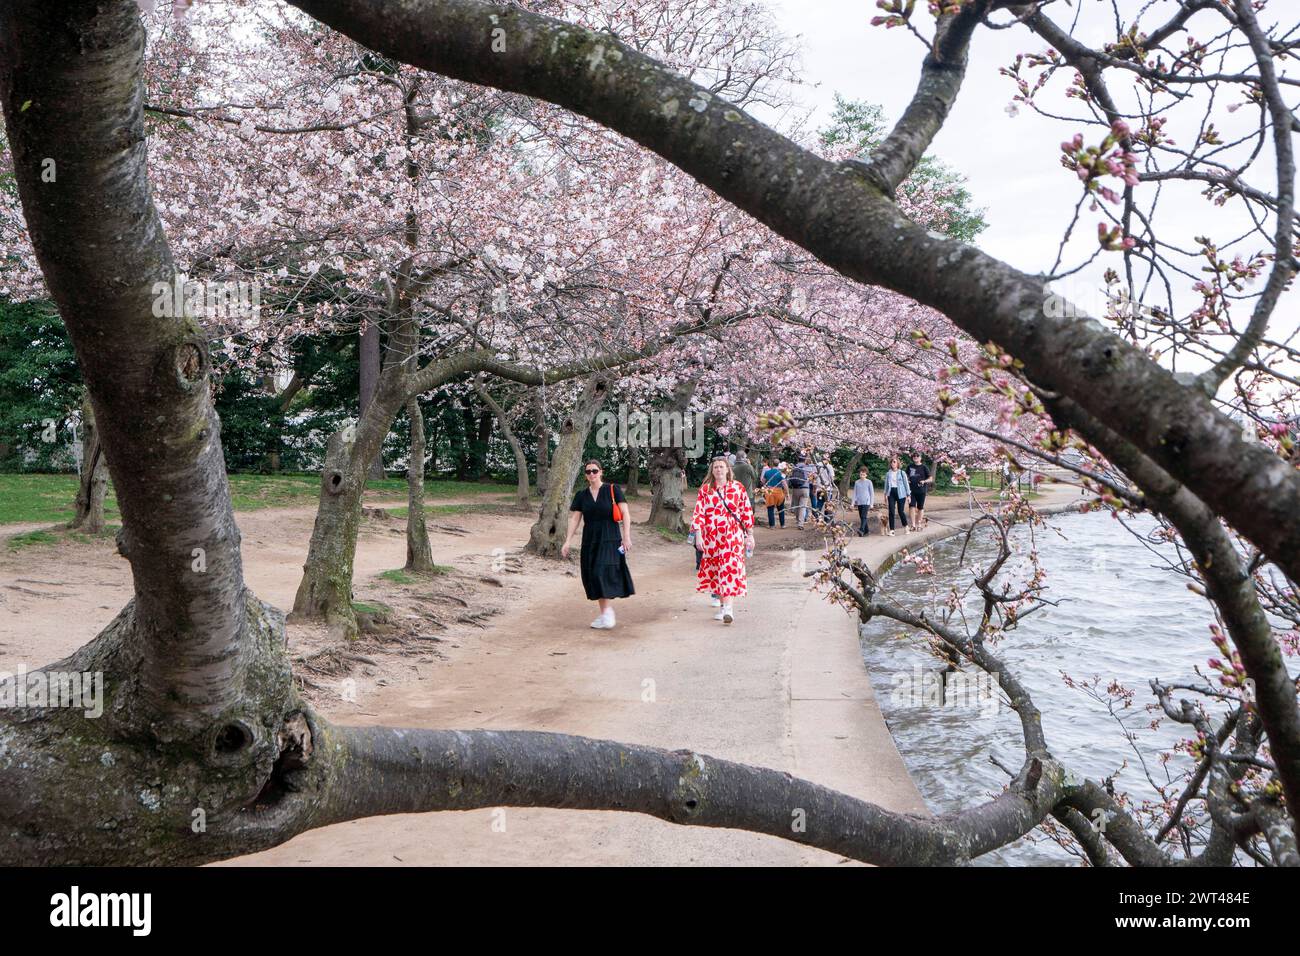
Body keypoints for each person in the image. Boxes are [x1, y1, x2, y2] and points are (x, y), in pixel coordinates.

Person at [562, 460, 634, 628]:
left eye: (595, 471)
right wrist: (567, 541)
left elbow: (625, 513)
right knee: (593, 574)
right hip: (590, 539)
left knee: (602, 570)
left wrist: (627, 537)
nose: (592, 474)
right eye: (588, 472)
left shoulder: (612, 490)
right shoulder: (581, 495)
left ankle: (607, 612)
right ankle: (604, 614)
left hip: (610, 537)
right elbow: (575, 519)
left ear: (601, 472)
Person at [691, 456, 755, 624]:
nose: (718, 470)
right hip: (712, 537)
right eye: (716, 467)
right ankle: (722, 606)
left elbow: (746, 512)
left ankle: (728, 608)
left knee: (730, 569)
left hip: (732, 536)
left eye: (721, 467)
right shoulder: (705, 490)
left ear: (728, 470)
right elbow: (699, 513)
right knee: (717, 571)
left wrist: (750, 535)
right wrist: (698, 535)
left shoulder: (738, 488)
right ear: (712, 471)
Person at [883, 455, 911, 536]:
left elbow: (906, 484)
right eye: (891, 462)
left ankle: (906, 526)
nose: (893, 463)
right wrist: (885, 494)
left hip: (901, 493)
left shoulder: (902, 473)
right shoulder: (888, 473)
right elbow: (886, 485)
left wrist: (908, 495)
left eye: (894, 462)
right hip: (891, 492)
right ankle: (892, 530)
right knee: (891, 511)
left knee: (900, 511)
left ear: (897, 463)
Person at [906, 453, 934, 530]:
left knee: (920, 508)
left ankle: (919, 524)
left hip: (921, 491)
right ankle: (913, 525)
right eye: (914, 456)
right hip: (911, 491)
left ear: (920, 458)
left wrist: (924, 481)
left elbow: (931, 479)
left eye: (917, 456)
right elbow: (906, 476)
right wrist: (907, 480)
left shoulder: (924, 467)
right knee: (911, 506)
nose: (915, 457)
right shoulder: (910, 466)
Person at [787, 457, 814, 529]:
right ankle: (800, 524)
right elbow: (812, 479)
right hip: (805, 489)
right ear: (805, 460)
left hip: (795, 489)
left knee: (796, 506)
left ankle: (797, 520)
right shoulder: (808, 467)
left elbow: (790, 477)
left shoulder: (794, 467)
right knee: (803, 507)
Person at [760, 458, 788, 528]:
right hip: (779, 492)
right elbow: (784, 484)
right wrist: (787, 493)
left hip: (770, 492)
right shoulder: (781, 473)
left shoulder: (767, 472)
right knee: (781, 509)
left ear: (772, 464)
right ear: (779, 464)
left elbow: (763, 481)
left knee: (770, 508)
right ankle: (783, 525)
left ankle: (772, 525)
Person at [851, 466, 875, 536]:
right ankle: (866, 531)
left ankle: (861, 530)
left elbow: (872, 493)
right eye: (861, 474)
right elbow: (854, 493)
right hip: (859, 502)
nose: (862, 476)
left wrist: (871, 504)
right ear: (859, 474)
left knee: (864, 516)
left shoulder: (869, 482)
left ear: (866, 475)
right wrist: (852, 503)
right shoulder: (857, 482)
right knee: (862, 517)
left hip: (866, 502)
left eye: (863, 475)